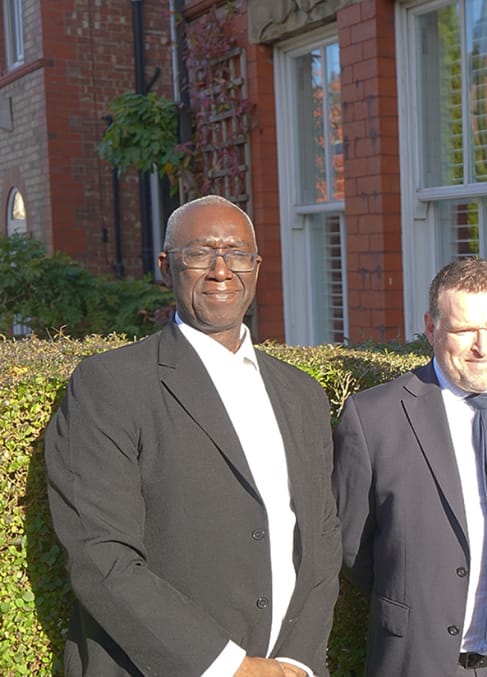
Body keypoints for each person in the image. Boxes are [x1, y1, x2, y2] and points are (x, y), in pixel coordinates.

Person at [44, 195, 342, 676]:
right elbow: (101, 556)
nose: (221, 271)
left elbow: (323, 541)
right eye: (200, 253)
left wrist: (295, 662)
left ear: (256, 267)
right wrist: (231, 667)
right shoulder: (111, 385)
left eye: (237, 254)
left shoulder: (302, 394)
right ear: (167, 267)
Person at [334, 258, 487, 676]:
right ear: (431, 328)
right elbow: (352, 549)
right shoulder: (375, 418)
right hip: (421, 660)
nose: (483, 346)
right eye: (464, 331)